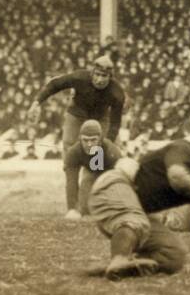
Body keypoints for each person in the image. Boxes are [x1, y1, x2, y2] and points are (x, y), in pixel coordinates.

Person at [87, 133, 190, 280]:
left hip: (135, 209)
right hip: (115, 186)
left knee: (173, 255)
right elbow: (177, 176)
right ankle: (120, 258)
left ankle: (123, 268)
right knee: (135, 221)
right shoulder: (183, 149)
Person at [28, 54, 126, 214]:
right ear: (92, 72)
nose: (100, 80)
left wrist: (105, 144)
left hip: (100, 118)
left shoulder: (117, 92)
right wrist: (37, 102)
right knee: (70, 149)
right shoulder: (80, 77)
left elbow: (115, 122)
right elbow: (55, 84)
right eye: (98, 74)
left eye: (105, 76)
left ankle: (89, 195)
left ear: (111, 77)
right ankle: (72, 192)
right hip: (77, 114)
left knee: (97, 160)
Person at [62, 119, 121, 218]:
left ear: (100, 139)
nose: (89, 144)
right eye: (85, 140)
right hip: (91, 171)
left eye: (93, 140)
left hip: (110, 174)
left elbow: (120, 179)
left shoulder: (111, 151)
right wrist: (72, 208)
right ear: (80, 138)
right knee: (85, 209)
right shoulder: (73, 153)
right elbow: (71, 181)